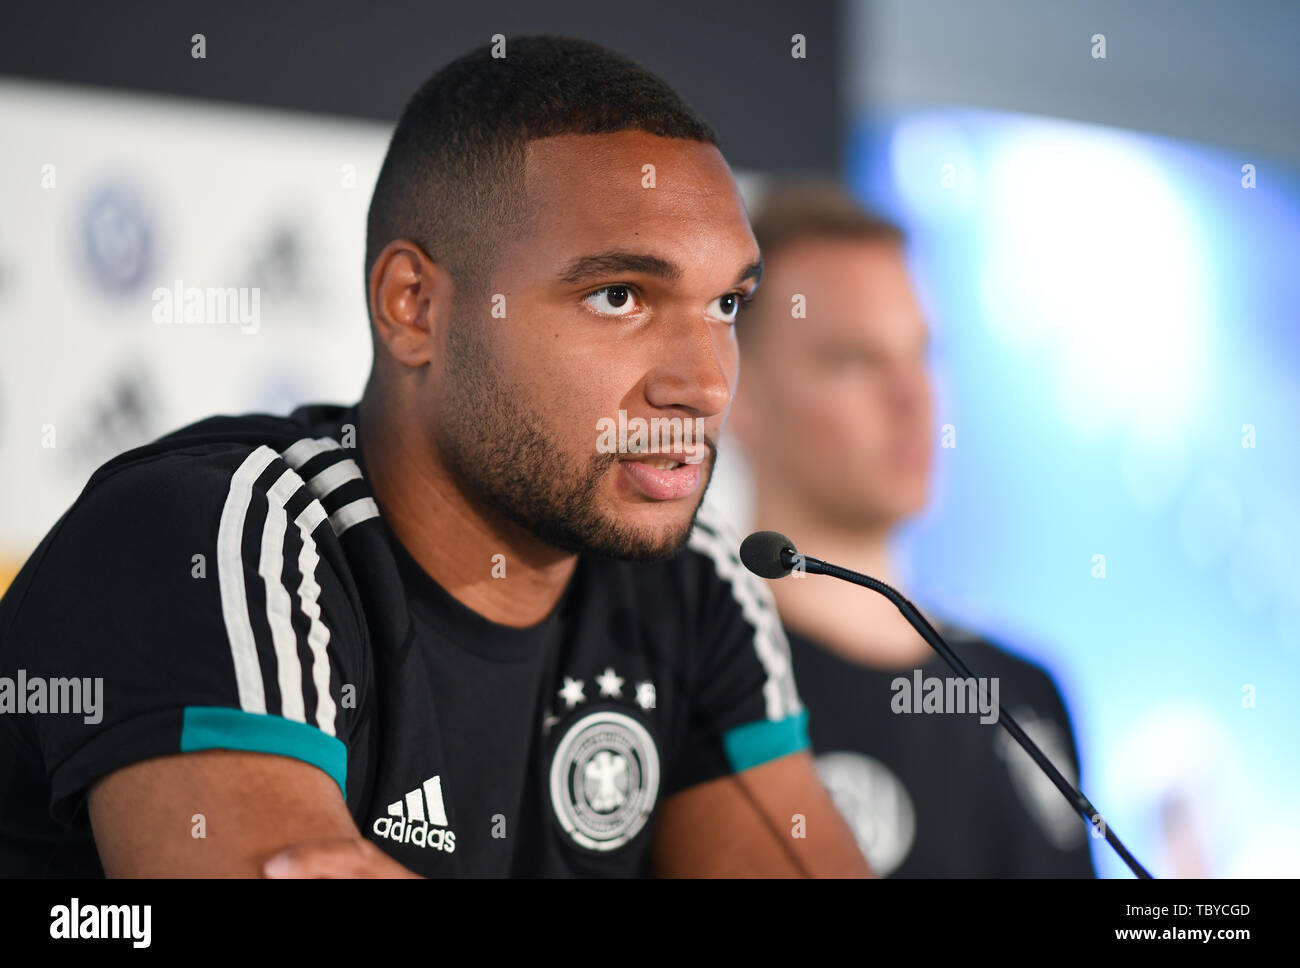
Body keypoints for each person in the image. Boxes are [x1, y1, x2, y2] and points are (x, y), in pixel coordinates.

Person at [0, 38, 869, 878]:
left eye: (724, 304)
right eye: (619, 296)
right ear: (413, 307)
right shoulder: (220, 537)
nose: (707, 384)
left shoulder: (695, 583)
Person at [729, 179, 1095, 876]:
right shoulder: (706, 681)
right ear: (741, 393)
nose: (913, 398)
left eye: (922, 353)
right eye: (855, 359)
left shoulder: (1025, 692)